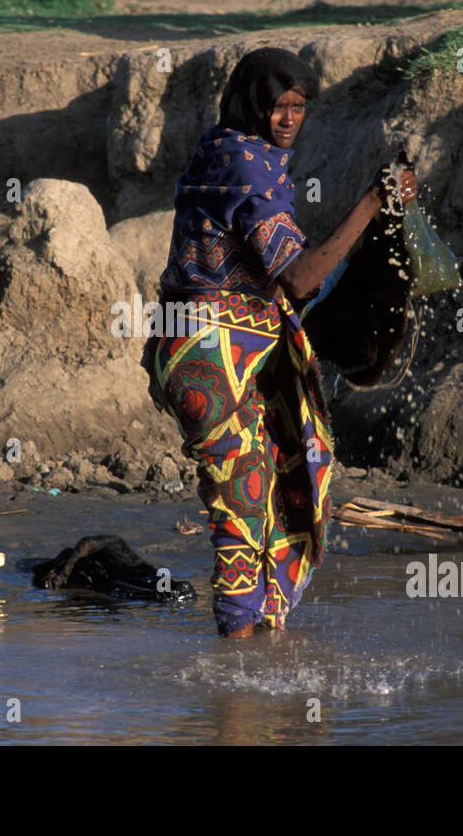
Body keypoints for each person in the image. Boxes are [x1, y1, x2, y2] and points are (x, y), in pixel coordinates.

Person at [141, 47, 416, 637]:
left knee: (261, 496)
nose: (288, 118)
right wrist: (371, 203)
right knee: (241, 511)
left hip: (201, 352)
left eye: (298, 107)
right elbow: (295, 278)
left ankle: (260, 649)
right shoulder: (248, 163)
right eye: (277, 106)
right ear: (252, 104)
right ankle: (239, 676)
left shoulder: (222, 147)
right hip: (214, 359)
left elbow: (281, 281)